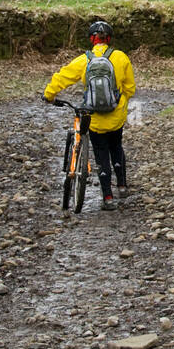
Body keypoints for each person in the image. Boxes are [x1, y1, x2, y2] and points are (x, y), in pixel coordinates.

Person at [43, 20, 135, 210]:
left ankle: (108, 198)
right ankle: (123, 186)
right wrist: (121, 101)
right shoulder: (120, 57)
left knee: (101, 153)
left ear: (92, 39)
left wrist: (49, 94)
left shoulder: (84, 60)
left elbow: (62, 77)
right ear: (108, 39)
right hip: (116, 116)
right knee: (116, 146)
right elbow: (130, 88)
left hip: (94, 119)